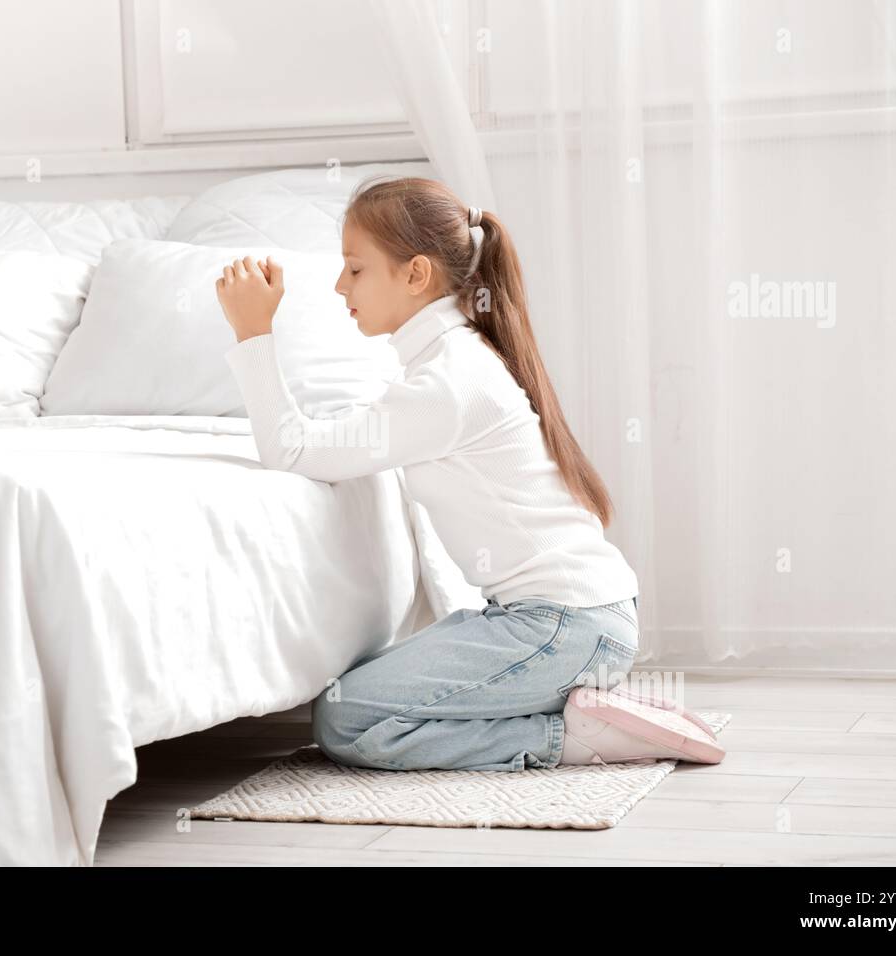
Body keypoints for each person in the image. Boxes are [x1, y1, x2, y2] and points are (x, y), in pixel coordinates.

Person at [215, 175, 720, 772]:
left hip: (564, 627)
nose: (338, 285)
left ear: (415, 274)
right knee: (366, 691)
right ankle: (585, 705)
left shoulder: (445, 384)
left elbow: (293, 451)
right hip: (572, 621)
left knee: (345, 719)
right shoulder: (450, 364)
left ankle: (573, 734)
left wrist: (253, 332)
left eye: (355, 269)